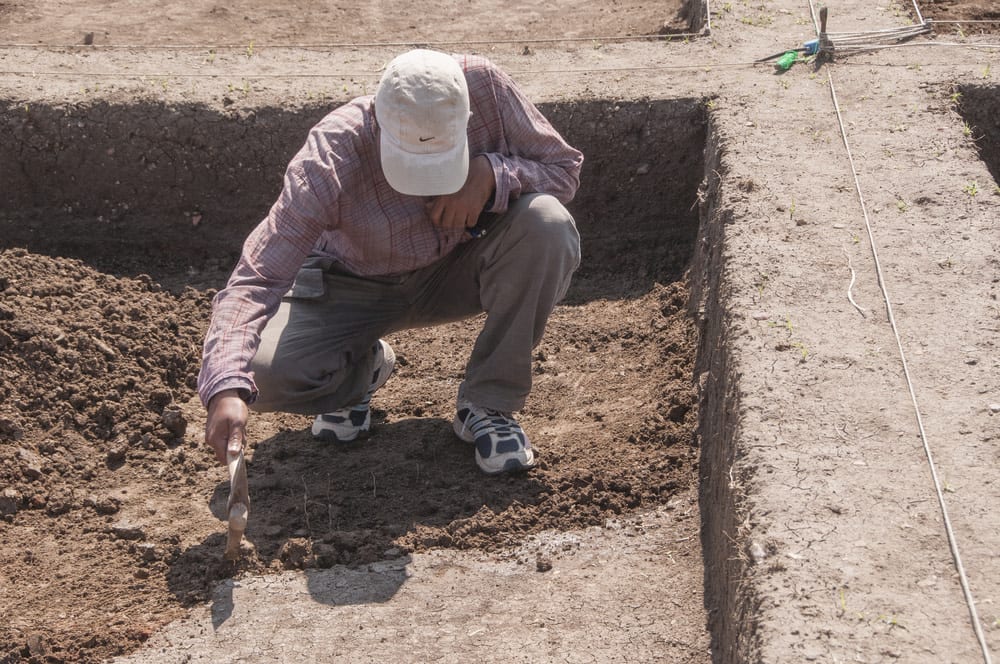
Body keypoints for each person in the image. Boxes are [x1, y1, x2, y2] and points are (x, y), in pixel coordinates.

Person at [198, 49, 583, 475]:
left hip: (458, 266)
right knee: (263, 374)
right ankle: (363, 366)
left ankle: (488, 401)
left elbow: (564, 170)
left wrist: (493, 175)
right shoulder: (331, 157)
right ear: (379, 125)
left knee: (547, 224)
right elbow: (258, 277)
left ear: (467, 118)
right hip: (350, 283)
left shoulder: (487, 89)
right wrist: (226, 387)